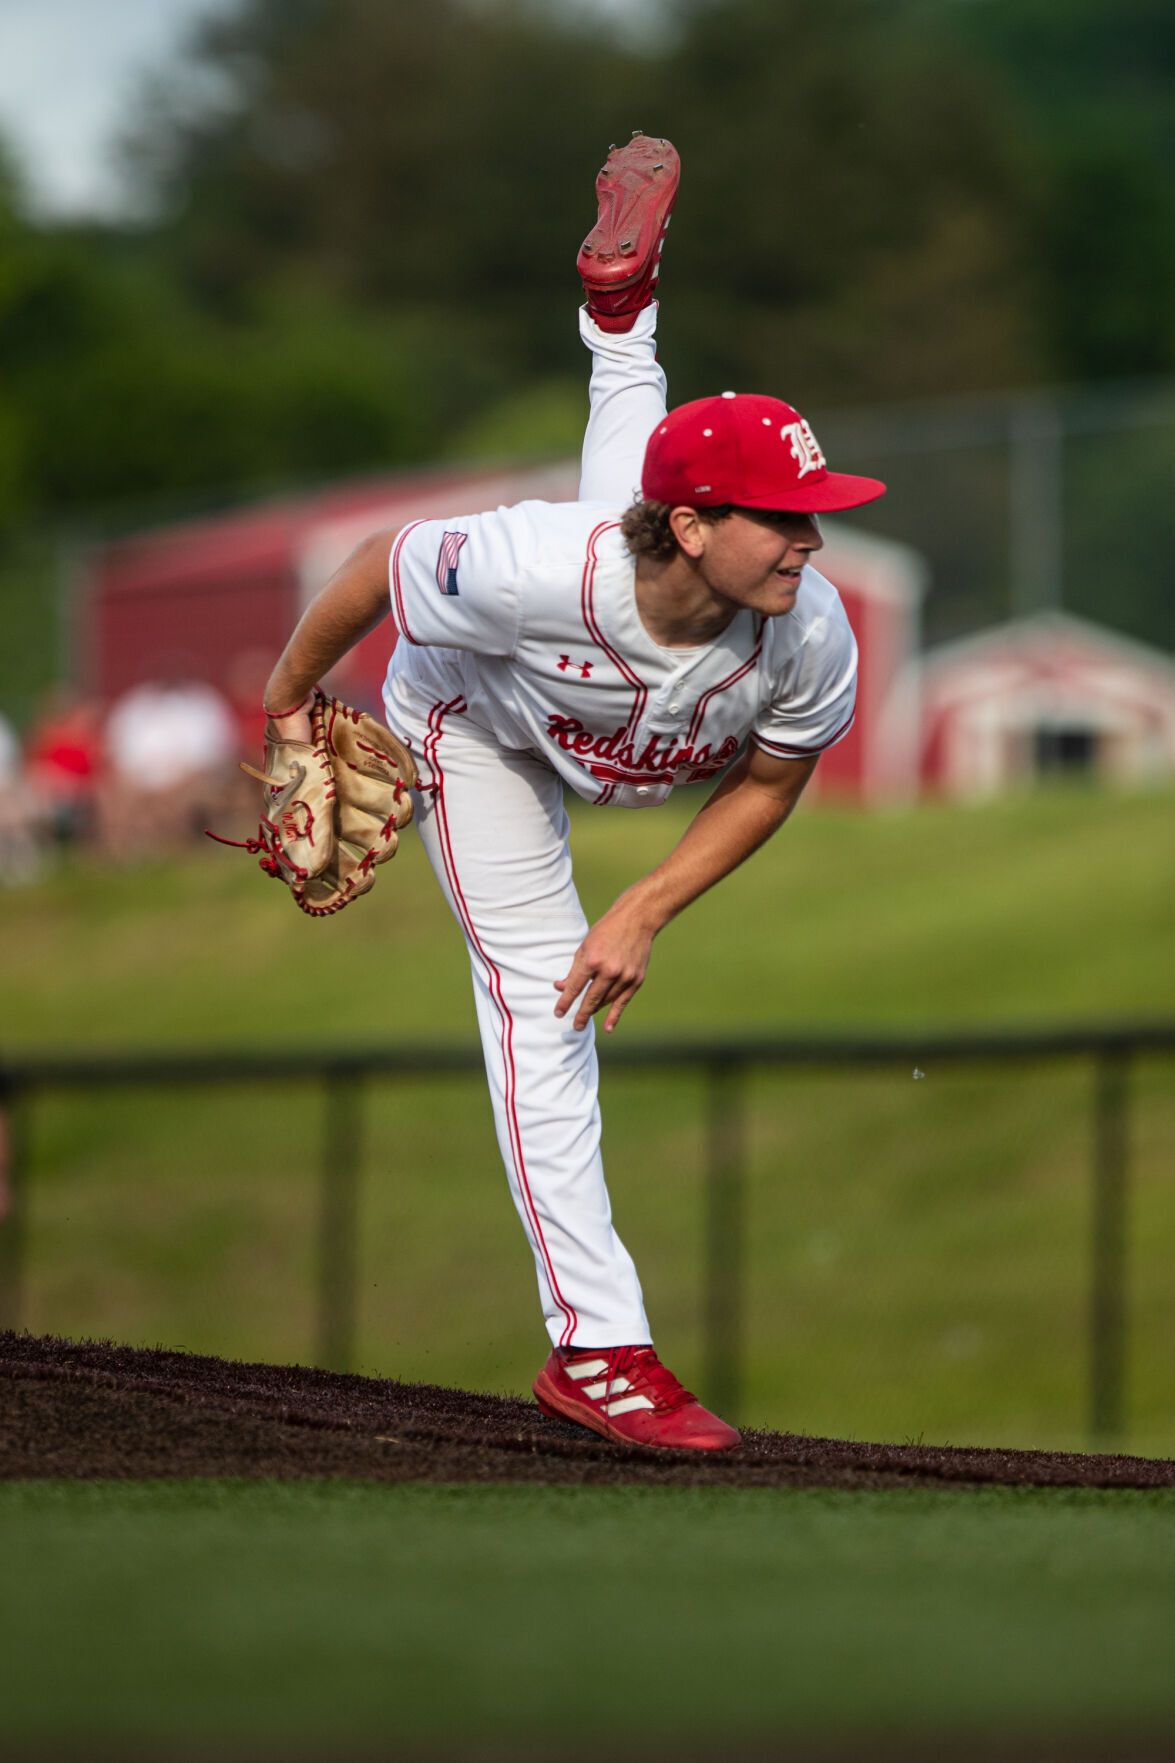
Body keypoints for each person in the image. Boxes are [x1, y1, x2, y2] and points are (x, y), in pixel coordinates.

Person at [260, 134, 886, 1452]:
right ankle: (600, 1349)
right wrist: (287, 707)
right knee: (543, 1009)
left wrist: (645, 907)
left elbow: (772, 783)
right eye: (785, 516)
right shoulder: (528, 568)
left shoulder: (807, 627)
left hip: (617, 639)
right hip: (480, 721)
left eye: (814, 511)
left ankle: (620, 314)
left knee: (627, 491)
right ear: (704, 527)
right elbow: (377, 568)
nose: (813, 536)